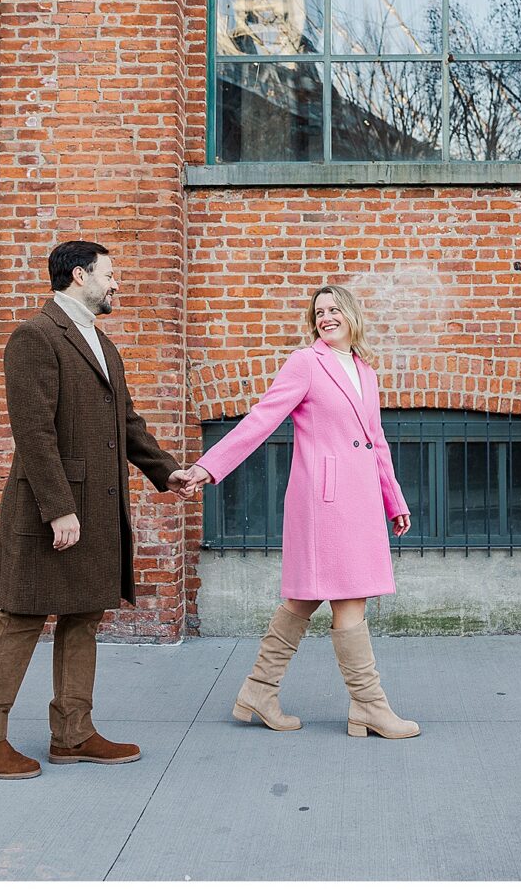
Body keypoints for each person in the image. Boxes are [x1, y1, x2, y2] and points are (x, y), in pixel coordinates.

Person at [0, 240, 197, 779]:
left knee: (82, 617)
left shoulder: (102, 343)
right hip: (53, 511)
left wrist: (165, 470)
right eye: (110, 274)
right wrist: (59, 510)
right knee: (20, 618)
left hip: (96, 507)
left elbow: (126, 423)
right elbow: (35, 433)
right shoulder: (35, 337)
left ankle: (72, 734)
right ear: (78, 275)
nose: (117, 284)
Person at [180, 285, 419, 739]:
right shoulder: (306, 362)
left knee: (306, 597)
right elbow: (260, 420)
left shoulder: (365, 370)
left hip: (362, 497)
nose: (326, 317)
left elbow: (376, 441)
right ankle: (369, 706)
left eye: (333, 310)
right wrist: (209, 469)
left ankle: (257, 691)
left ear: (351, 314)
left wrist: (394, 499)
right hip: (324, 499)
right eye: (319, 312)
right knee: (350, 597)